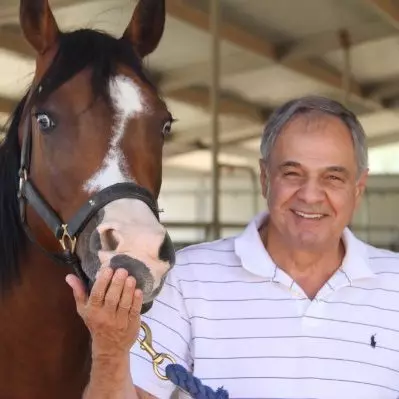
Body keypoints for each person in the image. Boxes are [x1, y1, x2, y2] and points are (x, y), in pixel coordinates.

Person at [67, 95, 399, 399]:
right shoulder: (187, 279)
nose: (311, 195)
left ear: (359, 188)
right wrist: (110, 351)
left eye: (333, 178)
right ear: (265, 178)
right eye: (293, 173)